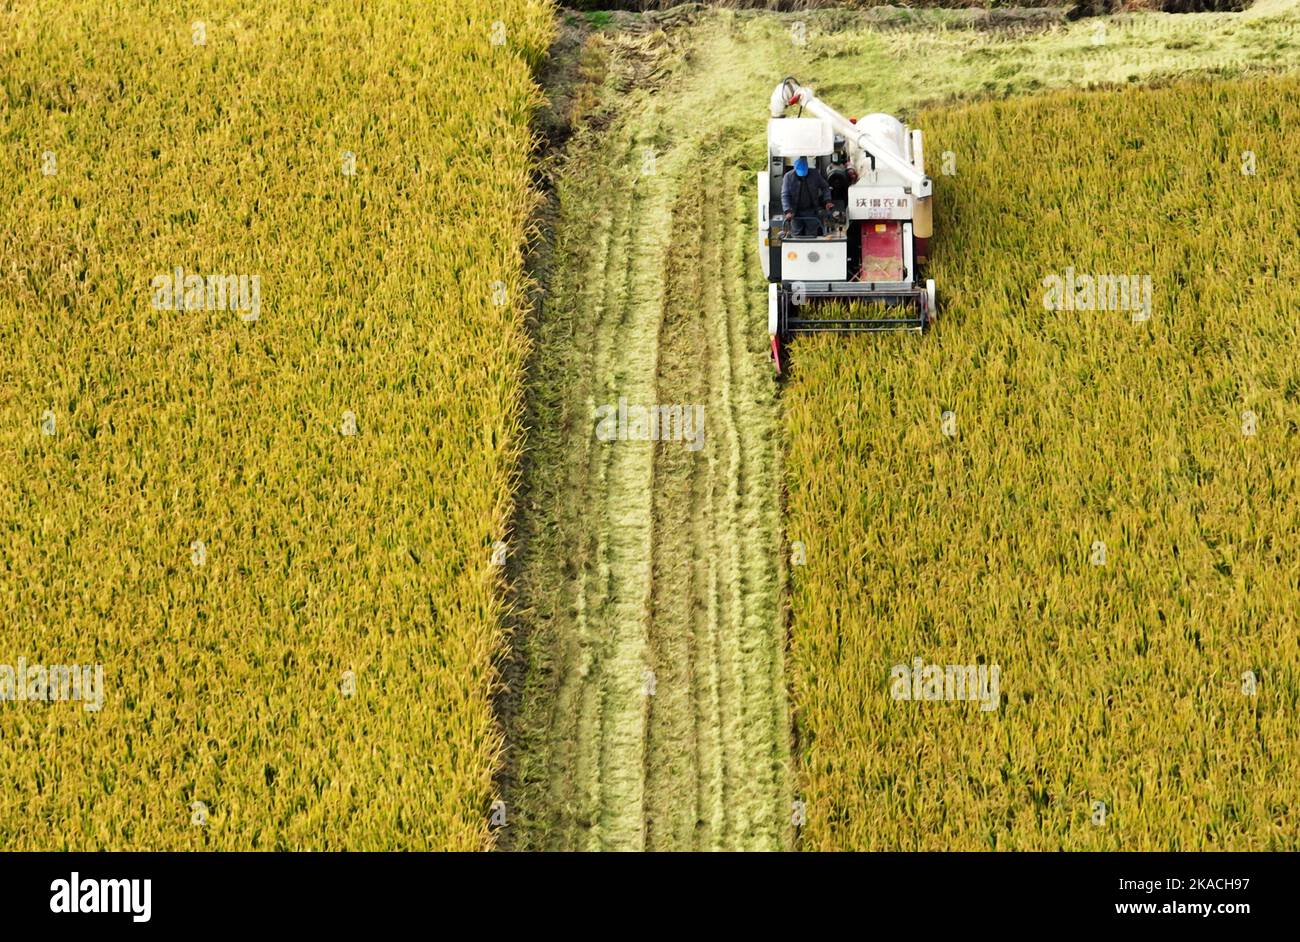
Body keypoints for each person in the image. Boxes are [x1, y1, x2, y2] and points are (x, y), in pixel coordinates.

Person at [782, 156, 835, 237]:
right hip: (795, 212)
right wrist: (787, 210)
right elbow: (785, 195)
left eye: (804, 174)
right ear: (795, 169)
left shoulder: (815, 174)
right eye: (800, 174)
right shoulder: (788, 177)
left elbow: (825, 187)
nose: (802, 176)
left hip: (811, 210)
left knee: (811, 234)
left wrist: (827, 200)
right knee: (796, 235)